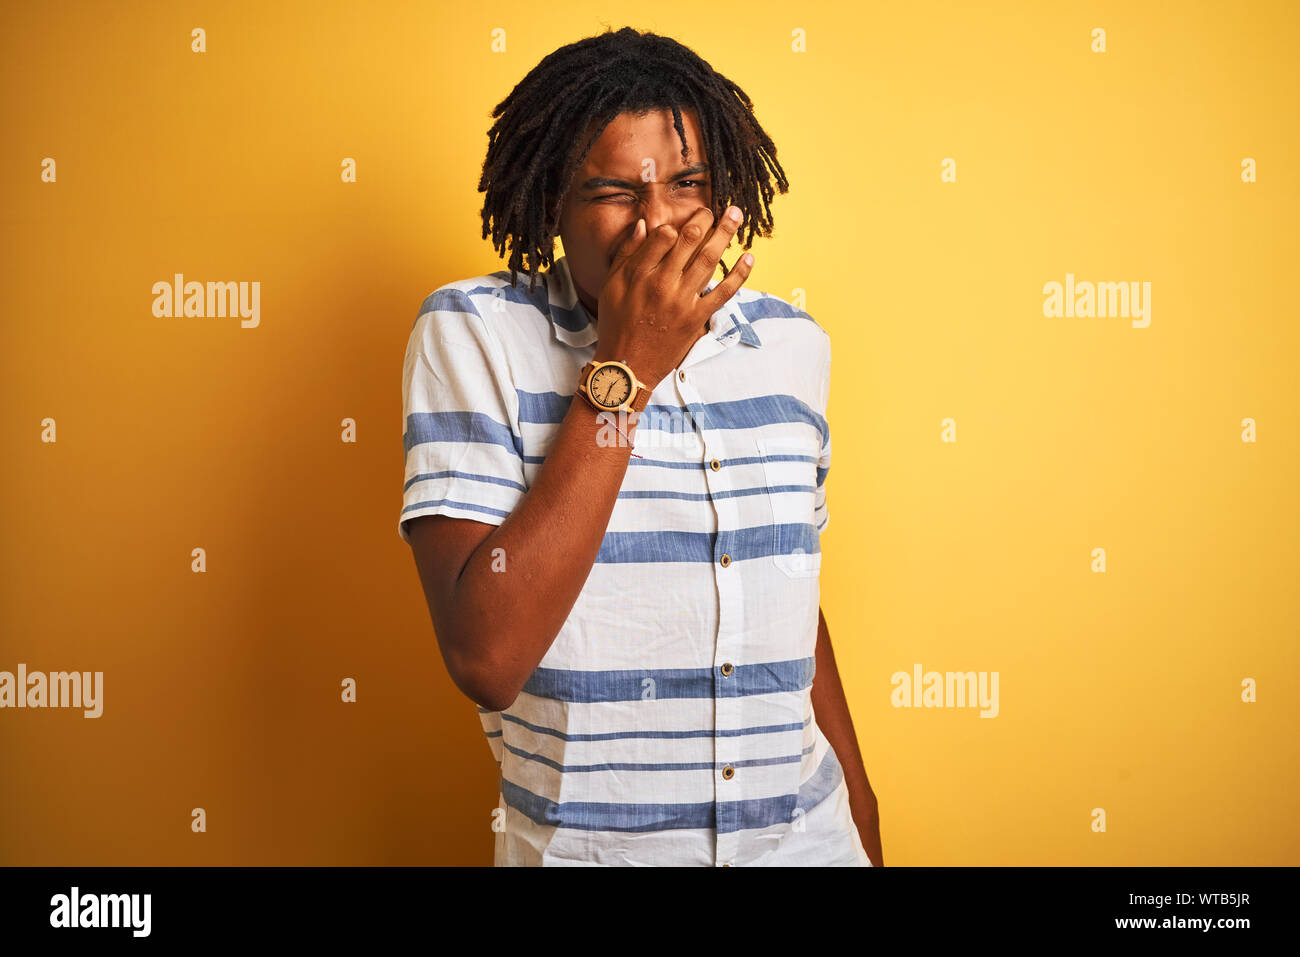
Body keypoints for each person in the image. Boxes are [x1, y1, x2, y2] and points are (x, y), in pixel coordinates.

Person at [400, 25, 882, 866]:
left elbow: (786, 591)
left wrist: (863, 810)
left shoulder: (793, 345)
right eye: (616, 192)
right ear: (554, 199)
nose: (657, 221)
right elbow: (487, 654)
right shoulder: (472, 334)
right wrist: (628, 366)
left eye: (688, 182)